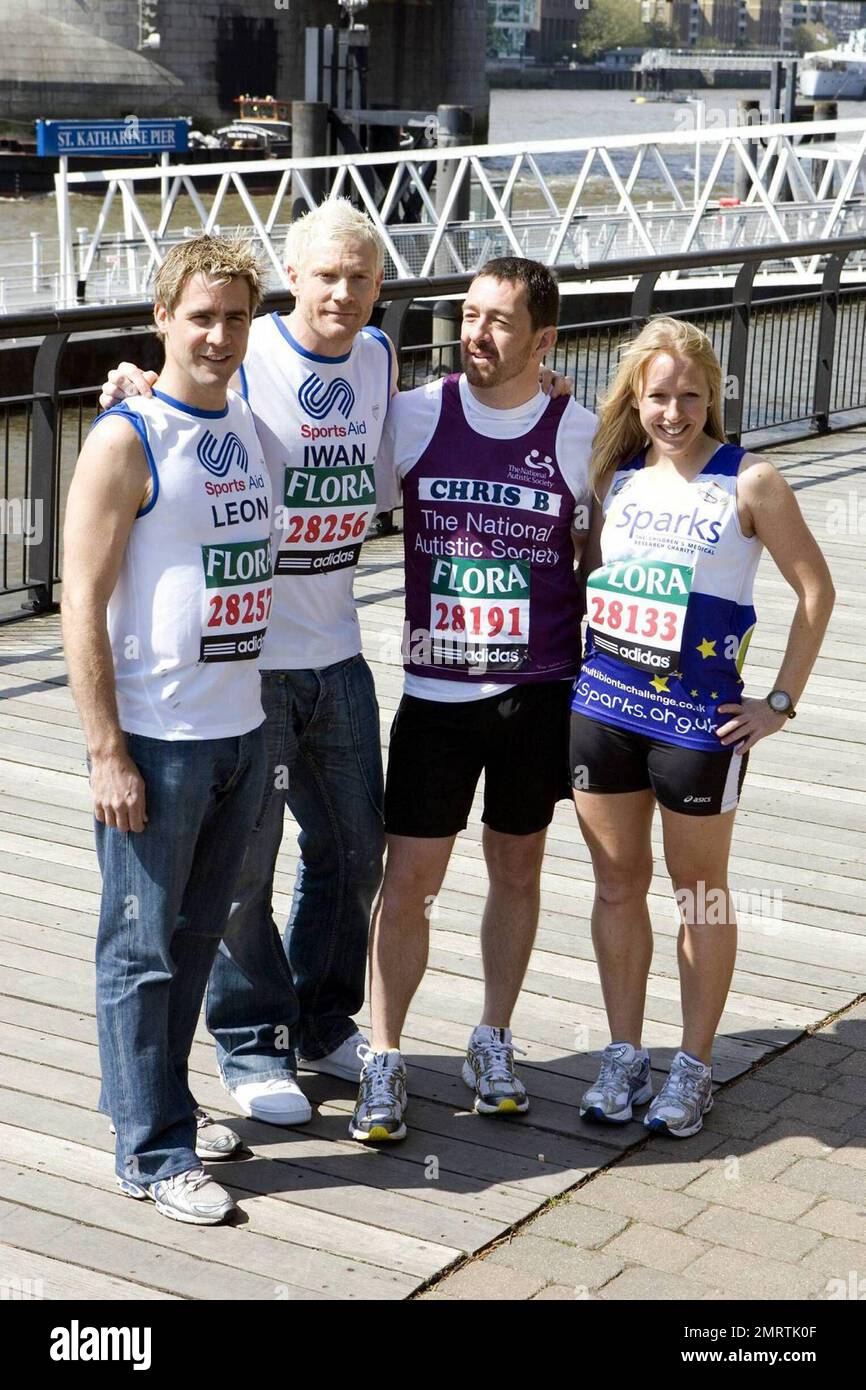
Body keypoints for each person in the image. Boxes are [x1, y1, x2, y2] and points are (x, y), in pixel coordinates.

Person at [99, 200, 397, 1126]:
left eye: (361, 276)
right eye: (326, 274)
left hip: (339, 648)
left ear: (379, 287)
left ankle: (320, 1016)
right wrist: (134, 390)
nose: (342, 292)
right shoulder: (250, 349)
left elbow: (405, 453)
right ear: (293, 280)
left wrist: (537, 391)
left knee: (354, 853)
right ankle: (249, 1039)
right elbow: (185, 389)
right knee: (239, 880)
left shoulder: (382, 358)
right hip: (246, 669)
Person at [350, 257, 597, 1142]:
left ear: (545, 340)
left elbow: (609, 555)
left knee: (517, 869)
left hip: (537, 695)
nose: (477, 333)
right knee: (409, 879)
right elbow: (308, 446)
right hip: (435, 693)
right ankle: (383, 1055)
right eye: (469, 313)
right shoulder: (416, 415)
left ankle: (492, 1037)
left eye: (499, 321)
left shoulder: (582, 434)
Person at [570, 316, 835, 1138]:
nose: (674, 412)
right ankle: (622, 1054)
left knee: (702, 897)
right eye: (657, 397)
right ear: (634, 399)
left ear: (713, 395)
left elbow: (816, 593)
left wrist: (780, 705)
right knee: (617, 885)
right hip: (604, 709)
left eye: (690, 396)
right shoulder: (613, 477)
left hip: (699, 727)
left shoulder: (751, 480)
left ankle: (692, 1063)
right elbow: (591, 579)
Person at [63, 236, 273, 1223]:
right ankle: (150, 1152)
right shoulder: (125, 437)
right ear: (162, 320)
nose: (219, 335)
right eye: (200, 315)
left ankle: (165, 1103)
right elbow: (82, 598)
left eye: (235, 317)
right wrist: (107, 748)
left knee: (195, 937)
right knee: (139, 946)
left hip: (240, 729)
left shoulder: (254, 430)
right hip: (156, 735)